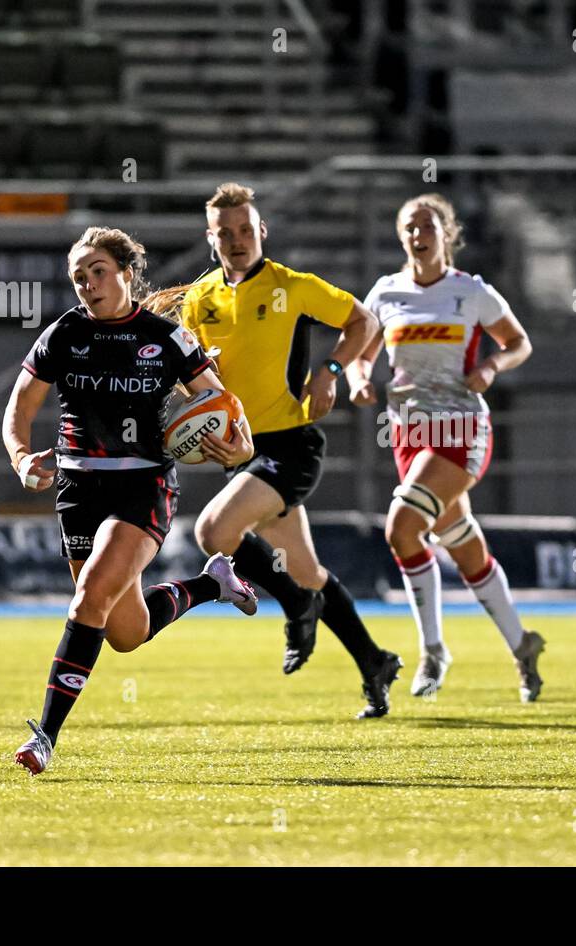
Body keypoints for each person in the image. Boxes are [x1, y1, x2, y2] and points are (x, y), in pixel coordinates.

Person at [3, 227, 258, 776]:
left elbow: (219, 404)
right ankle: (211, 584)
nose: (86, 284)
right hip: (76, 489)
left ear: (124, 272)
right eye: (77, 276)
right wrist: (23, 459)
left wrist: (239, 441)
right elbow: (18, 410)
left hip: (142, 486)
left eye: (96, 271)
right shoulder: (62, 335)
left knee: (89, 597)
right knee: (124, 632)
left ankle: (44, 735)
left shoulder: (167, 338)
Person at [148, 182, 403, 719]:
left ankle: (293, 607)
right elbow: (191, 383)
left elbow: (365, 321)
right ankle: (374, 661)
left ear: (262, 230)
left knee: (213, 533)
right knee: (308, 570)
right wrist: (200, 413)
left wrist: (331, 372)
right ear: (210, 238)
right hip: (240, 454)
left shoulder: (293, 286)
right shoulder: (199, 300)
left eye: (246, 229)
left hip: (291, 445)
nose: (237, 240)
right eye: (226, 233)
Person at [348, 193, 544, 701]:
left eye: (427, 225)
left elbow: (518, 342)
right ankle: (524, 646)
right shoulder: (386, 294)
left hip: (460, 431)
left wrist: (492, 366)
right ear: (401, 236)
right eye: (410, 226)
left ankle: (432, 652)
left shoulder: (471, 292)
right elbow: (360, 352)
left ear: (446, 233)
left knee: (402, 527)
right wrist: (359, 377)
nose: (418, 234)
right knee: (464, 546)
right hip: (409, 436)